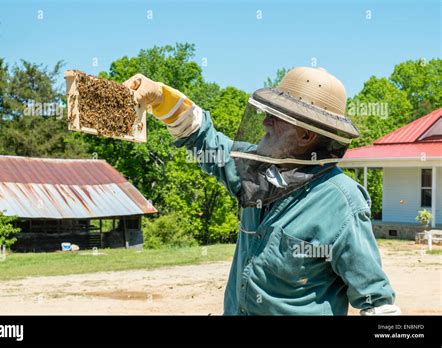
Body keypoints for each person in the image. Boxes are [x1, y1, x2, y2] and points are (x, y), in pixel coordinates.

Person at [123, 67, 400, 316]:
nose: (265, 122)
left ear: (306, 136)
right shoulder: (256, 171)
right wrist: (160, 96)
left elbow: (377, 304)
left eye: (277, 117)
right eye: (268, 112)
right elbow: (203, 139)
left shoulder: (342, 202)